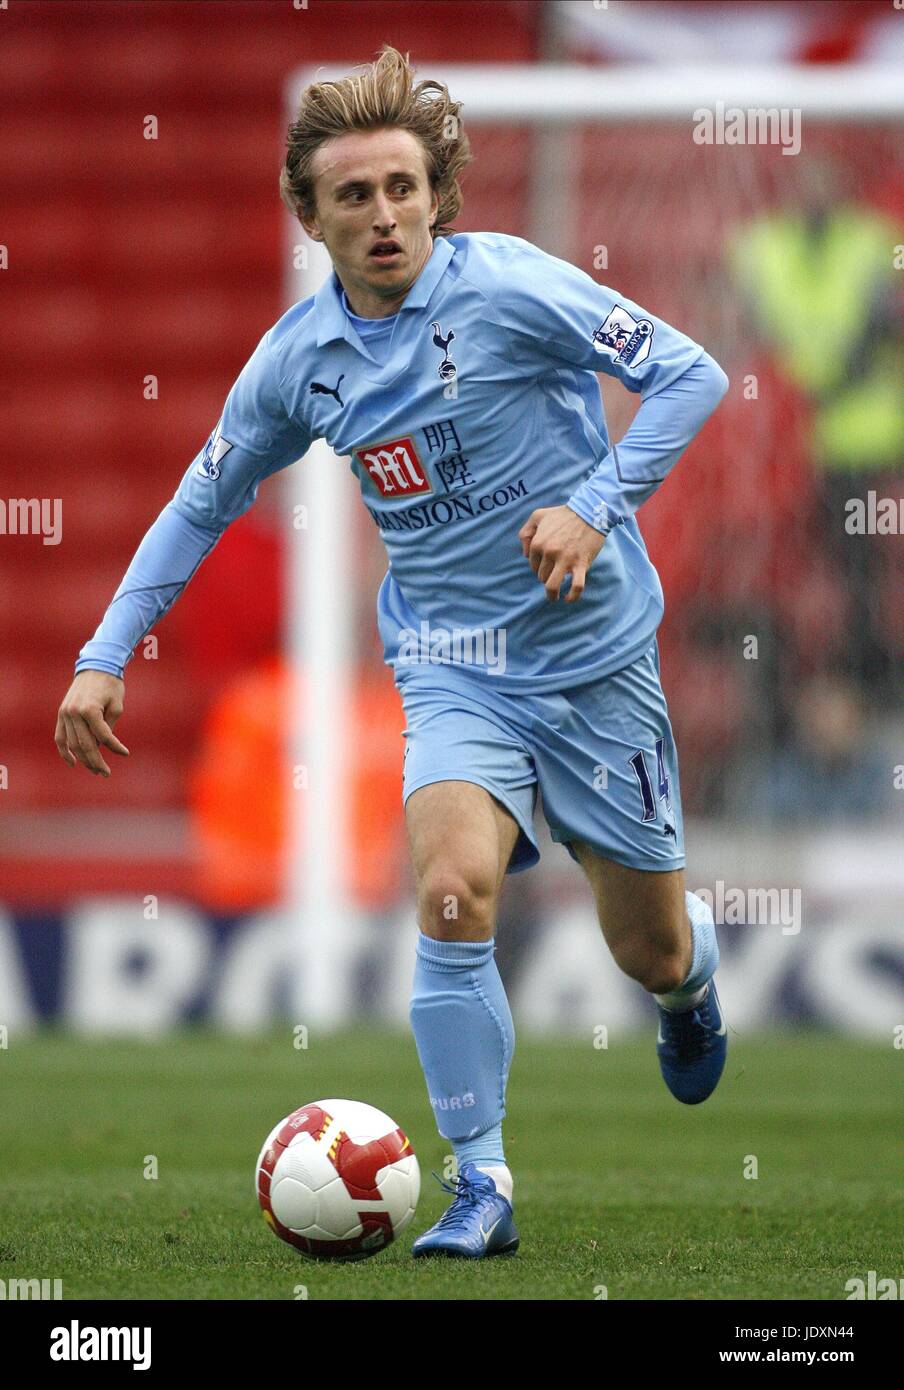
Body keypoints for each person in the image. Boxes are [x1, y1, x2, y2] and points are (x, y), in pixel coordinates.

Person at [55, 47, 730, 1259]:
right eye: (353, 196)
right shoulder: (296, 360)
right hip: (453, 664)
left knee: (650, 946)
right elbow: (200, 502)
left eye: (402, 189)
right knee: (450, 890)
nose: (383, 215)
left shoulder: (514, 288)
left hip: (593, 661)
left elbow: (689, 372)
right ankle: (482, 1183)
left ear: (439, 194)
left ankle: (686, 992)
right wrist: (104, 652)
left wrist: (594, 498)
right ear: (307, 216)